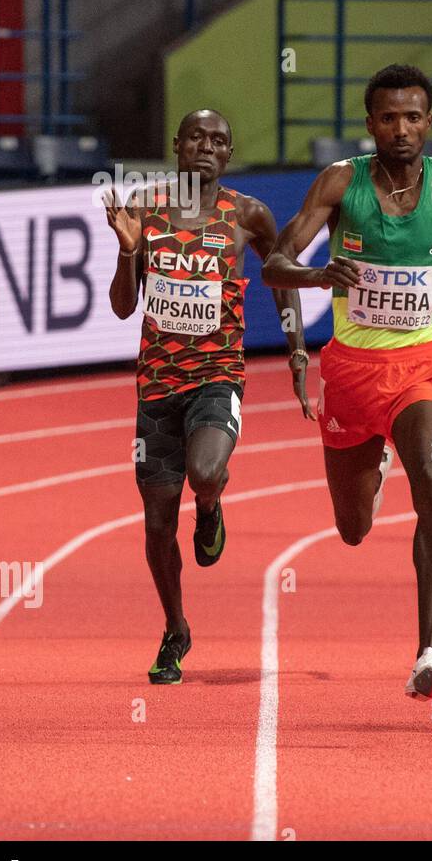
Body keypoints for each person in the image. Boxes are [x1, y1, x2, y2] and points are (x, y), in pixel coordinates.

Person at [262, 65, 432, 701]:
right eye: (389, 118)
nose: (401, 129)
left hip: (422, 366)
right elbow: (275, 262)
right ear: (370, 124)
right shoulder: (340, 182)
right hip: (351, 374)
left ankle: (428, 654)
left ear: (429, 122)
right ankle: (376, 458)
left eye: (413, 117)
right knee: (353, 529)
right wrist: (316, 276)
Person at [103, 109, 312, 685]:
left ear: (229, 153)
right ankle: (176, 630)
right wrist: (127, 251)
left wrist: (297, 352)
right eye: (196, 136)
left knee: (206, 470)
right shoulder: (145, 208)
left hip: (218, 374)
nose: (206, 146)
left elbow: (281, 277)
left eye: (218, 140)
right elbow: (122, 307)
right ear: (177, 144)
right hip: (156, 385)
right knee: (156, 523)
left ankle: (211, 504)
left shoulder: (248, 214)